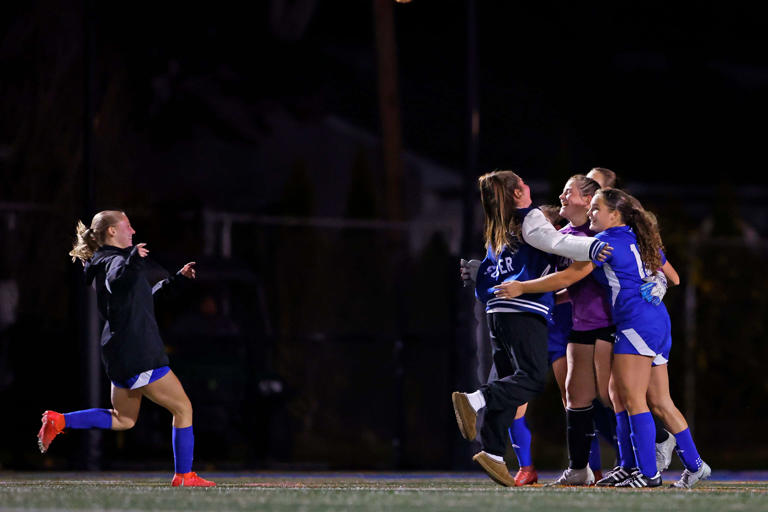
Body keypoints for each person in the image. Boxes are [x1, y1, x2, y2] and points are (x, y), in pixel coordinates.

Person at [494, 188, 711, 488]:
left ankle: (648, 474)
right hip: (658, 322)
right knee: (659, 400)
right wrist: (658, 280)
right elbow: (669, 274)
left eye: (597, 208)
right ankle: (695, 466)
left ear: (615, 214)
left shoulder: (604, 242)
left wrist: (522, 288)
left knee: (631, 400)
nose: (592, 213)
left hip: (634, 323)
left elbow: (568, 277)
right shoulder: (639, 236)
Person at [453, 170, 611, 487]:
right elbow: (552, 241)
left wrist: (477, 278)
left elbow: (485, 281)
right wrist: (591, 248)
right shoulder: (531, 217)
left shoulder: (498, 226)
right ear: (516, 194)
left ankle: (493, 452)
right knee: (533, 378)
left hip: (497, 313)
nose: (528, 185)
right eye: (523, 182)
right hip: (523, 311)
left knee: (511, 379)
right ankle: (475, 400)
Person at [37, 210, 215, 487]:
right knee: (183, 408)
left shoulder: (109, 261)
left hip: (120, 351)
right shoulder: (115, 261)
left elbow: (140, 299)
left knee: (124, 419)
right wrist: (131, 260)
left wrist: (176, 280)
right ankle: (184, 476)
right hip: (139, 351)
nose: (132, 231)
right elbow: (118, 281)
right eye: (128, 226)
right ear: (111, 232)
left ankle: (59, 420)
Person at [586, 167, 682, 474]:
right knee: (612, 395)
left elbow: (671, 275)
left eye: (594, 193)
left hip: (628, 319)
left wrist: (659, 282)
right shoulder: (583, 227)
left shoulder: (617, 233)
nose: (586, 196)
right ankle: (635, 463)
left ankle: (645, 469)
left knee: (632, 397)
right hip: (614, 318)